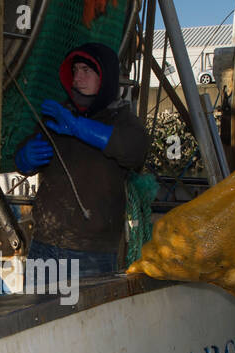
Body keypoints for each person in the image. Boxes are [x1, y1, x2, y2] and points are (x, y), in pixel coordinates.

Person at [14, 42, 149, 277]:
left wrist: (79, 127)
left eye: (86, 71)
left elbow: (134, 150)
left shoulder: (123, 121)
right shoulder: (57, 117)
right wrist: (24, 157)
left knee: (80, 315)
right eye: (75, 71)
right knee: (37, 313)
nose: (78, 78)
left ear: (105, 78)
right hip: (43, 245)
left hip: (90, 253)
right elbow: (22, 155)